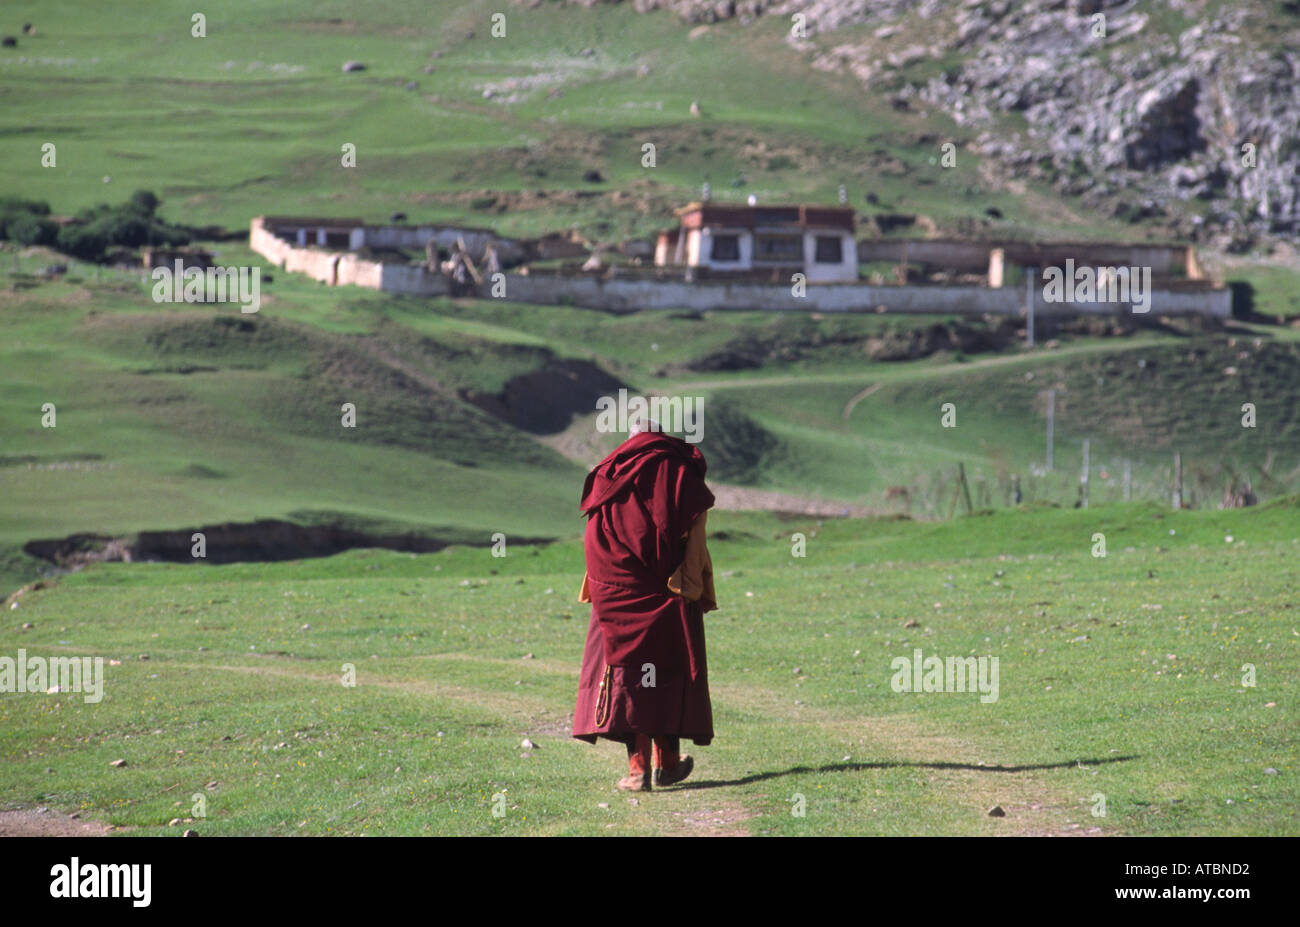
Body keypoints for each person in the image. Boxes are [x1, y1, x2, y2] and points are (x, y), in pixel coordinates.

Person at [571, 420, 717, 791]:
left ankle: (639, 772)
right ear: (661, 436)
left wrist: (601, 586)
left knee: (628, 678)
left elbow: (596, 539)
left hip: (620, 591)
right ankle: (666, 764)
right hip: (669, 590)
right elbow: (694, 536)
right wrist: (693, 583)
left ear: (632, 440)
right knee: (665, 674)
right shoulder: (680, 470)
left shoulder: (611, 471)